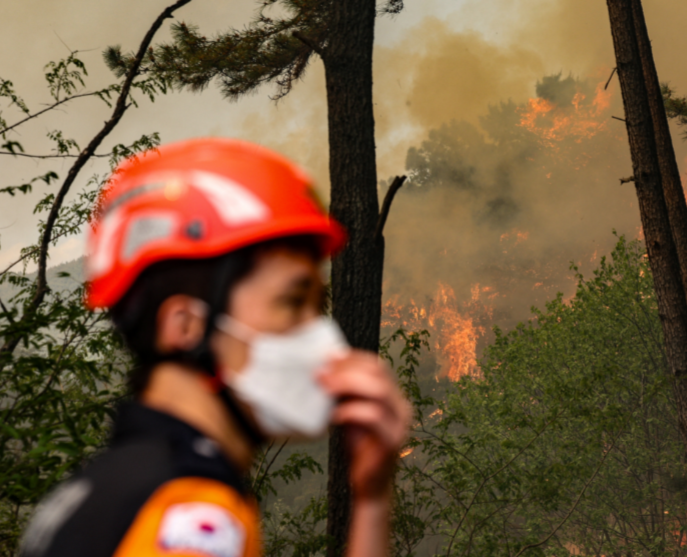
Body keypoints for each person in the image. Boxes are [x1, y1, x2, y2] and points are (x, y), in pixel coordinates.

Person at [17, 138, 411, 557]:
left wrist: (371, 500)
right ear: (186, 326)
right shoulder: (188, 514)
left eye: (318, 306)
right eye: (293, 303)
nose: (322, 338)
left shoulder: (111, 489)